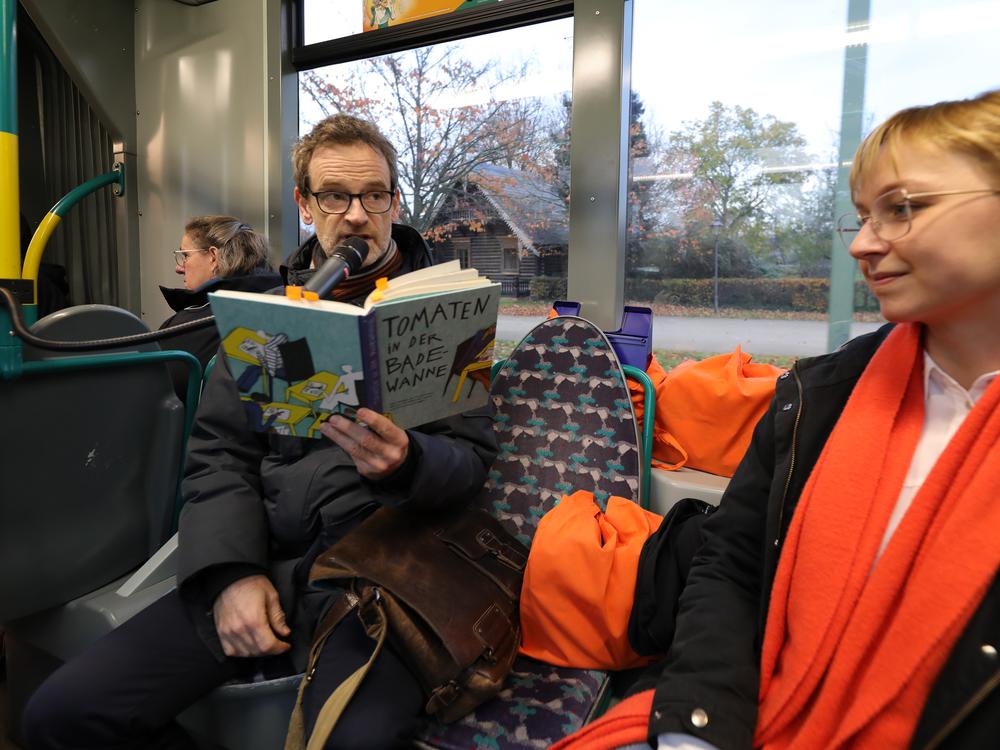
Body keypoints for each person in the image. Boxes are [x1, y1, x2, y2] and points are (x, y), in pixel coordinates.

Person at [22, 114, 497, 750]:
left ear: (394, 200)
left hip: (383, 570)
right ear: (305, 203)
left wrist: (409, 464)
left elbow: (470, 463)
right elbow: (218, 459)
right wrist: (230, 575)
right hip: (268, 556)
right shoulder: (264, 319)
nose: (356, 215)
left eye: (375, 195)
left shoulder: (446, 312)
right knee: (61, 715)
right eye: (334, 195)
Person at [624, 90, 1000, 750]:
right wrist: (697, 729)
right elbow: (732, 564)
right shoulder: (817, 396)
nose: (861, 244)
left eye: (901, 210)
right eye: (862, 216)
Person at [157, 215, 280, 398]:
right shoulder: (284, 308)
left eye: (185, 255)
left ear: (213, 257)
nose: (179, 268)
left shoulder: (184, 327)